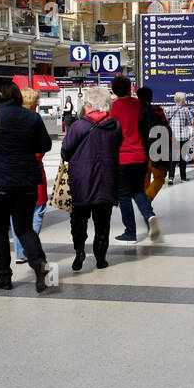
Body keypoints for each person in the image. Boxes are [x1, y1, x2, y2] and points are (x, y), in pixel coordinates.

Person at [0, 81, 51, 291]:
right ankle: (38, 262)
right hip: (26, 182)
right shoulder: (32, 116)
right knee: (24, 227)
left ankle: (4, 278)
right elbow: (45, 145)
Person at [62, 83, 122, 271]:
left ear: (89, 105)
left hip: (81, 181)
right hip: (107, 180)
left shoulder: (78, 126)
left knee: (78, 220)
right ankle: (100, 258)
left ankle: (79, 250)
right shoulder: (115, 126)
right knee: (102, 222)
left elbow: (65, 152)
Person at [110, 74, 159, 243]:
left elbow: (112, 130)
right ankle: (149, 215)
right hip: (140, 156)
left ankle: (130, 233)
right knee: (138, 190)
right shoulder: (139, 104)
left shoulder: (115, 107)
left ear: (114, 90)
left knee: (124, 195)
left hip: (123, 156)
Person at [11, 87, 48, 261]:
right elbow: (43, 147)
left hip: (13, 173)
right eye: (36, 102)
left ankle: (20, 252)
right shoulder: (34, 119)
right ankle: (29, 247)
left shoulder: (9, 118)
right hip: (33, 172)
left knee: (16, 212)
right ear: (32, 103)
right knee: (37, 210)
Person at [137, 86, 171, 205]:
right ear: (150, 97)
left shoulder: (135, 110)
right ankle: (147, 200)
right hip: (157, 150)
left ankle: (146, 207)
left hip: (141, 151)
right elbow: (166, 129)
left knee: (144, 181)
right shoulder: (157, 109)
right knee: (159, 178)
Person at [163, 91, 194, 184]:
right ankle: (183, 177)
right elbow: (191, 123)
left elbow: (164, 122)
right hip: (183, 138)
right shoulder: (186, 111)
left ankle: (171, 177)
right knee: (183, 158)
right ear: (183, 100)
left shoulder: (168, 110)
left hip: (173, 137)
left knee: (173, 157)